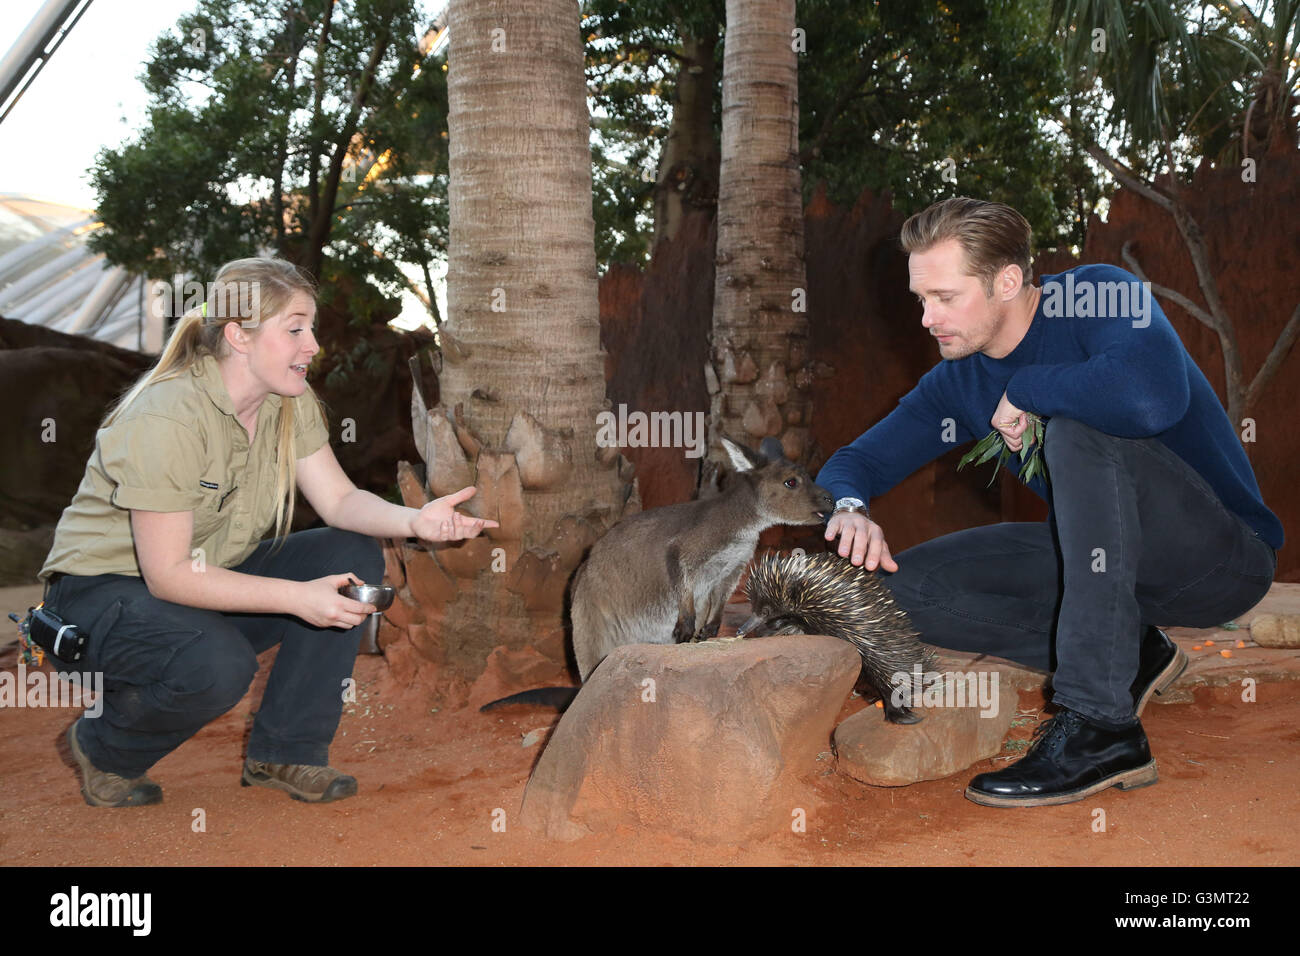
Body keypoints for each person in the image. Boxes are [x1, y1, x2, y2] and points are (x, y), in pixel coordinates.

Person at [817, 197, 1281, 808]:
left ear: (1009, 281)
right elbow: (855, 464)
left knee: (1076, 425)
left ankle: (1101, 728)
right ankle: (1132, 652)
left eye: (946, 297)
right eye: (920, 299)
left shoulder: (1096, 295)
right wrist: (849, 507)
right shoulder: (959, 380)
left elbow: (1150, 398)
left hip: (1218, 559)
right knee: (891, 591)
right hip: (1109, 566)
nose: (928, 318)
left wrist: (1032, 389)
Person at [38, 256, 497, 807]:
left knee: (349, 552)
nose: (313, 346)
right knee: (218, 663)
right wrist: (297, 598)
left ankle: (287, 751)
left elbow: (341, 500)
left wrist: (415, 521)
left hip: (200, 582)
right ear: (239, 336)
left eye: (312, 329)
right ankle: (105, 747)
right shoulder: (167, 418)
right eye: (295, 329)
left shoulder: (288, 401)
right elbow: (167, 575)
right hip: (100, 599)